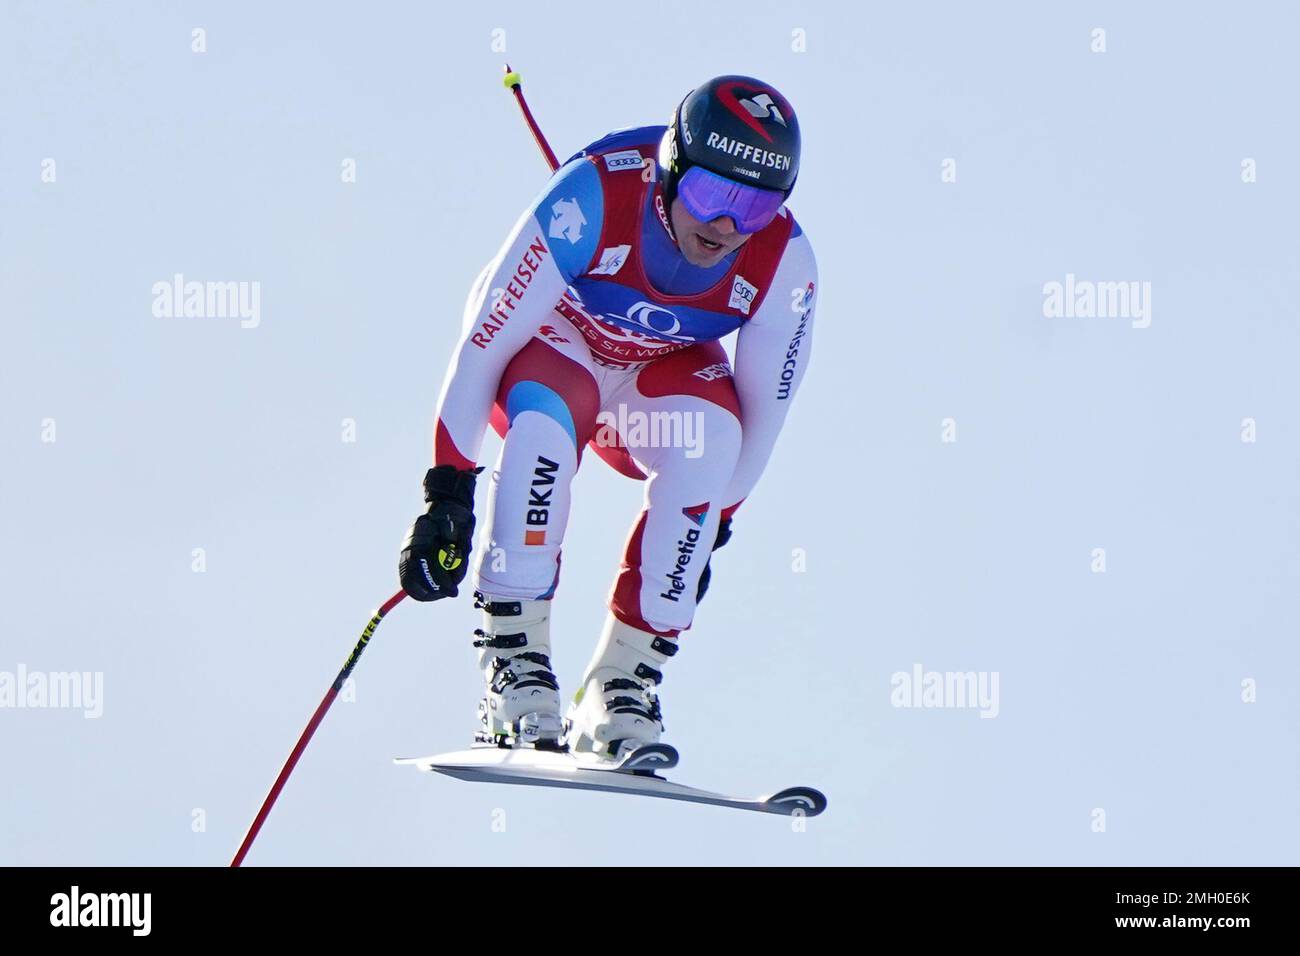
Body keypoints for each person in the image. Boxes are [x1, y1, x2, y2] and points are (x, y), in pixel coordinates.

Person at [398, 75, 818, 760]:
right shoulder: (594, 197)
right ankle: (515, 666)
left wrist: (710, 528)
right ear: (671, 169)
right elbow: (484, 342)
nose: (724, 226)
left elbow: (765, 419)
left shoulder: (785, 265)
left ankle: (623, 683)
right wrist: (448, 493)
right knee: (542, 433)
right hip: (555, 348)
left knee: (714, 443)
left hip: (649, 383)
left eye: (755, 207)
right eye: (712, 195)